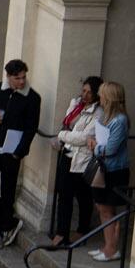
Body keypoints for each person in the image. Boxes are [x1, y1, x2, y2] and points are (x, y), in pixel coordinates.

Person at [0, 59, 41, 249]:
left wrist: (18, 153)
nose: (21, 81)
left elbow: (31, 129)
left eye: (23, 77)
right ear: (8, 77)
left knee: (7, 193)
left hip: (11, 153)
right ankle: (9, 222)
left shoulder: (32, 98)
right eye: (17, 78)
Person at [49, 77, 102, 250]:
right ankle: (61, 232)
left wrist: (62, 136)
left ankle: (82, 230)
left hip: (81, 160)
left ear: (97, 94)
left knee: (83, 196)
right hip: (67, 155)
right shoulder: (77, 105)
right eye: (83, 90)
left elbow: (84, 137)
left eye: (89, 92)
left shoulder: (98, 112)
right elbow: (67, 123)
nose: (85, 95)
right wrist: (66, 134)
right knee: (64, 194)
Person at [87, 80, 132, 263]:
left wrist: (95, 147)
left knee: (107, 209)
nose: (100, 97)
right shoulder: (106, 116)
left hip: (114, 170)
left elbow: (111, 149)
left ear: (110, 97)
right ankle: (108, 246)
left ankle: (111, 248)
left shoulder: (120, 120)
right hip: (104, 168)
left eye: (102, 94)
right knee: (102, 207)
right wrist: (94, 141)